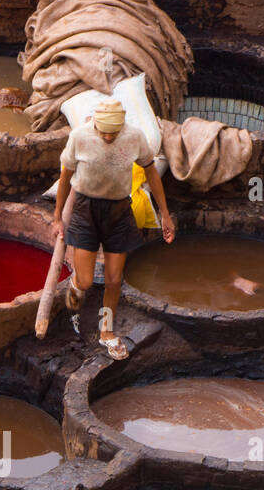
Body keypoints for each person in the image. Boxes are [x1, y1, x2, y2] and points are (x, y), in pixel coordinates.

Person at [54, 98, 175, 360]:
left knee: (113, 280)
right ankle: (75, 286)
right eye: (103, 132)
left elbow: (152, 173)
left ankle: (106, 332)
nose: (108, 137)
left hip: (119, 211)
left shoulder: (135, 137)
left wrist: (164, 214)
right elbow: (65, 176)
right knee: (86, 281)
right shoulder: (80, 137)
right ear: (95, 125)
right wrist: (57, 217)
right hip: (86, 211)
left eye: (113, 133)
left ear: (122, 127)